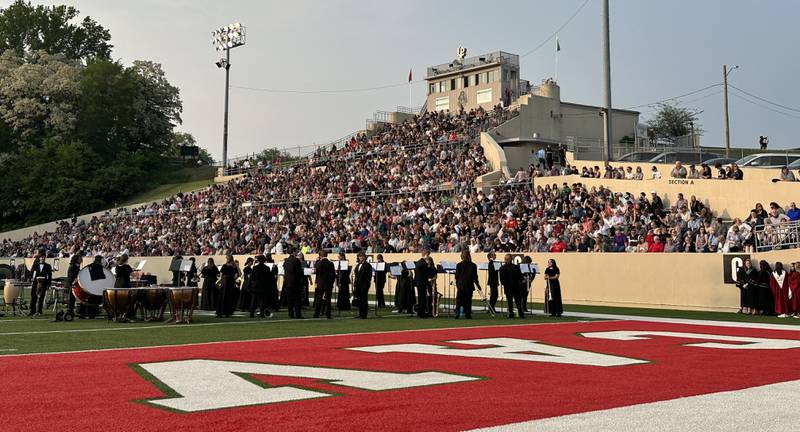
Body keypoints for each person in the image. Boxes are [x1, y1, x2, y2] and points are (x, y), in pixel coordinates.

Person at [455, 250, 481, 319]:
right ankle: (467, 314)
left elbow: (456, 276)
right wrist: (478, 285)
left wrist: (457, 284)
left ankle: (457, 313)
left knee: (459, 299)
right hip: (469, 284)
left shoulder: (459, 265)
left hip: (461, 284)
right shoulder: (473, 265)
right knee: (468, 300)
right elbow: (475, 277)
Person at [499, 254, 524, 318]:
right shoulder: (516, 267)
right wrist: (521, 281)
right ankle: (521, 313)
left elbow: (501, 279)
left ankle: (511, 313)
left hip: (507, 286)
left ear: (505, 259)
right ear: (511, 259)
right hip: (516, 286)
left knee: (509, 300)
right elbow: (520, 277)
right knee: (517, 300)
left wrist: (504, 284)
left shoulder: (502, 268)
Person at [313, 250, 336, 319]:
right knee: (328, 299)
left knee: (319, 299)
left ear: (320, 256)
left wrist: (316, 282)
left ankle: (316, 313)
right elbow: (333, 275)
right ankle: (328, 314)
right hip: (328, 283)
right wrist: (331, 282)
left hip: (320, 283)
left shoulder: (319, 263)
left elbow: (316, 272)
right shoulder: (330, 263)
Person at [29, 252, 52, 317]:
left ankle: (39, 311)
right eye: (41, 257)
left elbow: (49, 275)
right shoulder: (35, 265)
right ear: (39, 258)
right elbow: (32, 273)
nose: (43, 258)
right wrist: (32, 279)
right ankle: (32, 311)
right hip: (35, 283)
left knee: (41, 298)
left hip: (44, 284)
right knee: (33, 297)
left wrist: (48, 284)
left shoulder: (48, 266)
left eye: (44, 257)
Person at [283, 249, 304, 319]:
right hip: (295, 282)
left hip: (287, 282)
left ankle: (290, 314)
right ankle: (298, 314)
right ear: (293, 252)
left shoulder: (286, 261)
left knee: (289, 300)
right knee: (297, 299)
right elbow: (299, 272)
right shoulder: (296, 260)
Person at [353, 252, 372, 318]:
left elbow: (368, 276)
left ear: (364, 257)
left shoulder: (368, 265)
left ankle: (364, 314)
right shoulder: (358, 265)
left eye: (362, 256)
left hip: (364, 284)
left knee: (364, 299)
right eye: (359, 256)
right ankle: (360, 313)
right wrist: (355, 284)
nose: (360, 257)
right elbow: (356, 274)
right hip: (358, 284)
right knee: (359, 299)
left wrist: (365, 284)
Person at [414, 251, 432, 318]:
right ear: (426, 255)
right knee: (422, 298)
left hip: (418, 282)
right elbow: (428, 273)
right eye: (428, 255)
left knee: (420, 297)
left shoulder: (418, 262)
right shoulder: (424, 263)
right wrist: (429, 266)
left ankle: (420, 312)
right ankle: (422, 314)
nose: (429, 257)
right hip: (422, 282)